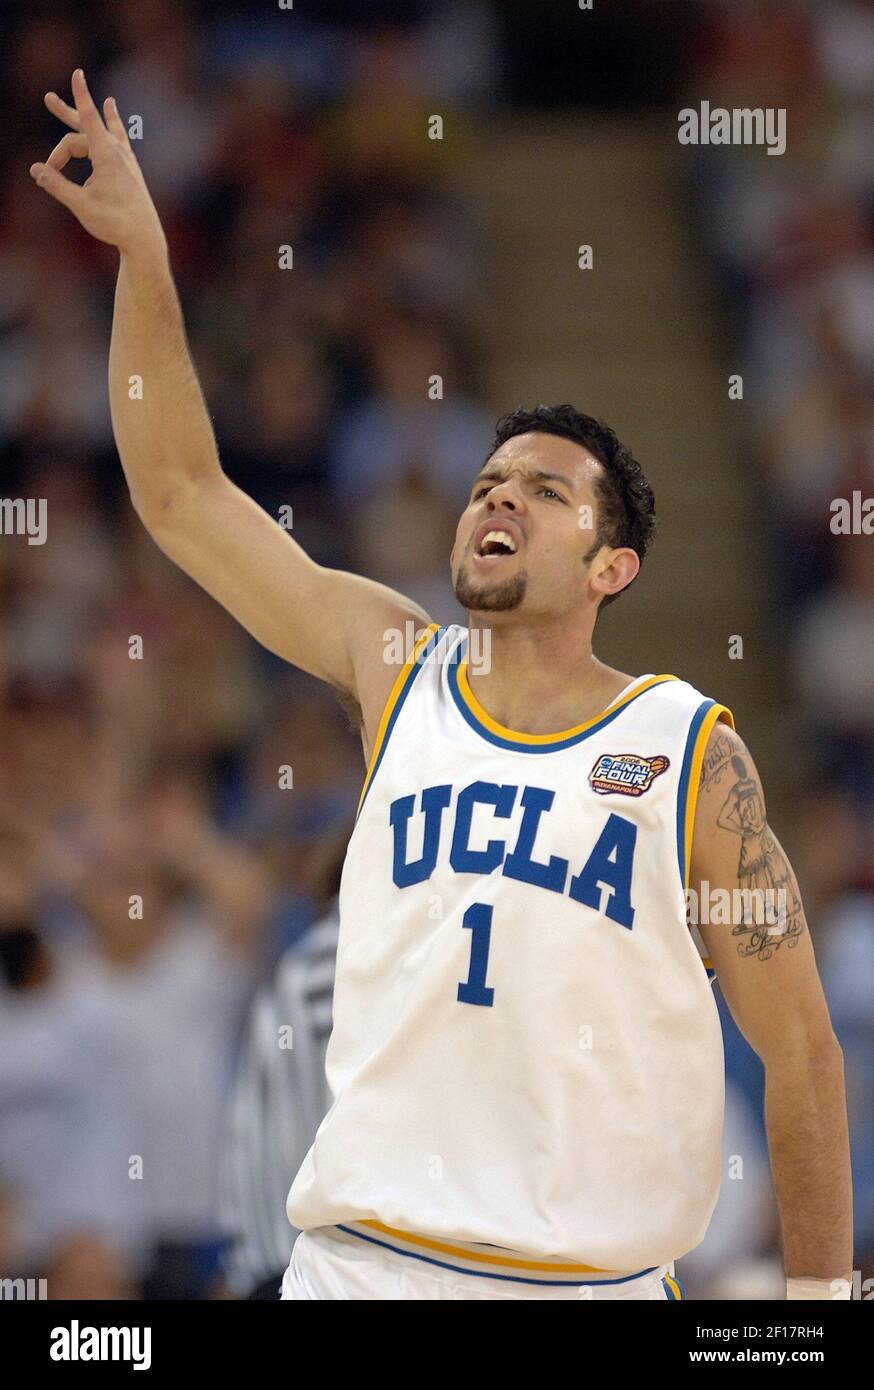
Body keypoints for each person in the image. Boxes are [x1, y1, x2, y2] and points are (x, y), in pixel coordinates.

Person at [30, 69, 853, 1302]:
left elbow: (797, 1049)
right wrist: (146, 262)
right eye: (487, 481)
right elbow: (181, 498)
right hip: (358, 1269)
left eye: (544, 490)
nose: (498, 497)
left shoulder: (684, 748)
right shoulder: (395, 662)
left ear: (611, 565)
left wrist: (815, 1305)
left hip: (586, 1278)